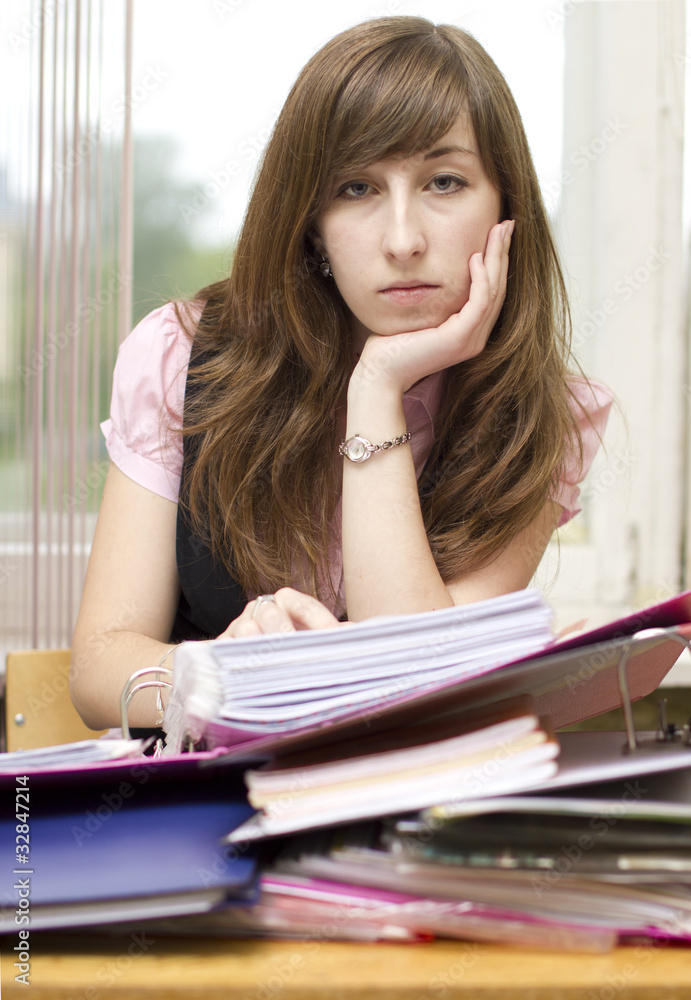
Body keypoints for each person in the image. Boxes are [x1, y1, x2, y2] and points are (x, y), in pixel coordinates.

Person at [71, 15, 612, 731]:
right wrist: (219, 674)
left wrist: (377, 387)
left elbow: (419, 686)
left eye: (444, 182)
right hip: (206, 810)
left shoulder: (544, 420)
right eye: (356, 189)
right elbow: (97, 669)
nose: (402, 240)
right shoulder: (181, 358)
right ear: (311, 224)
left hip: (409, 813)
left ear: (506, 208)